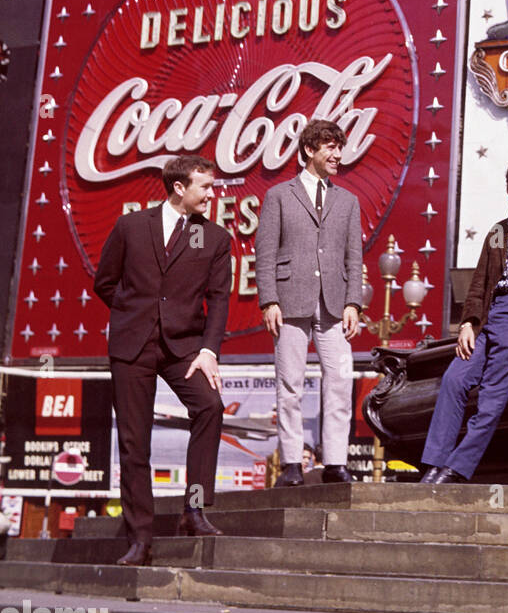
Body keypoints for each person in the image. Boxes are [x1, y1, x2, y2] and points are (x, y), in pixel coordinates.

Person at [94, 154, 232, 565]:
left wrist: (208, 350)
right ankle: (140, 537)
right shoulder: (131, 226)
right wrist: (133, 311)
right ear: (179, 188)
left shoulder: (212, 238)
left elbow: (219, 299)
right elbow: (105, 282)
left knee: (210, 406)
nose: (212, 194)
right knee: (135, 443)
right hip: (132, 346)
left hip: (184, 348)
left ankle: (194, 508)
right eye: (204, 187)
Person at [420, 160, 508, 484]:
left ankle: (457, 467)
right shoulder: (498, 230)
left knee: (492, 395)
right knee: (454, 380)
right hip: (488, 314)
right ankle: (434, 462)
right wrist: (468, 323)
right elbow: (480, 281)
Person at [258, 119, 364, 486]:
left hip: (335, 304)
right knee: (289, 383)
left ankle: (335, 462)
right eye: (330, 147)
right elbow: (265, 252)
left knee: (339, 380)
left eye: (340, 147)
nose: (338, 155)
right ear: (309, 150)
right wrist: (268, 299)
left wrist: (354, 303)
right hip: (289, 300)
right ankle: (291, 463)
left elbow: (355, 257)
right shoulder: (279, 196)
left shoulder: (348, 201)